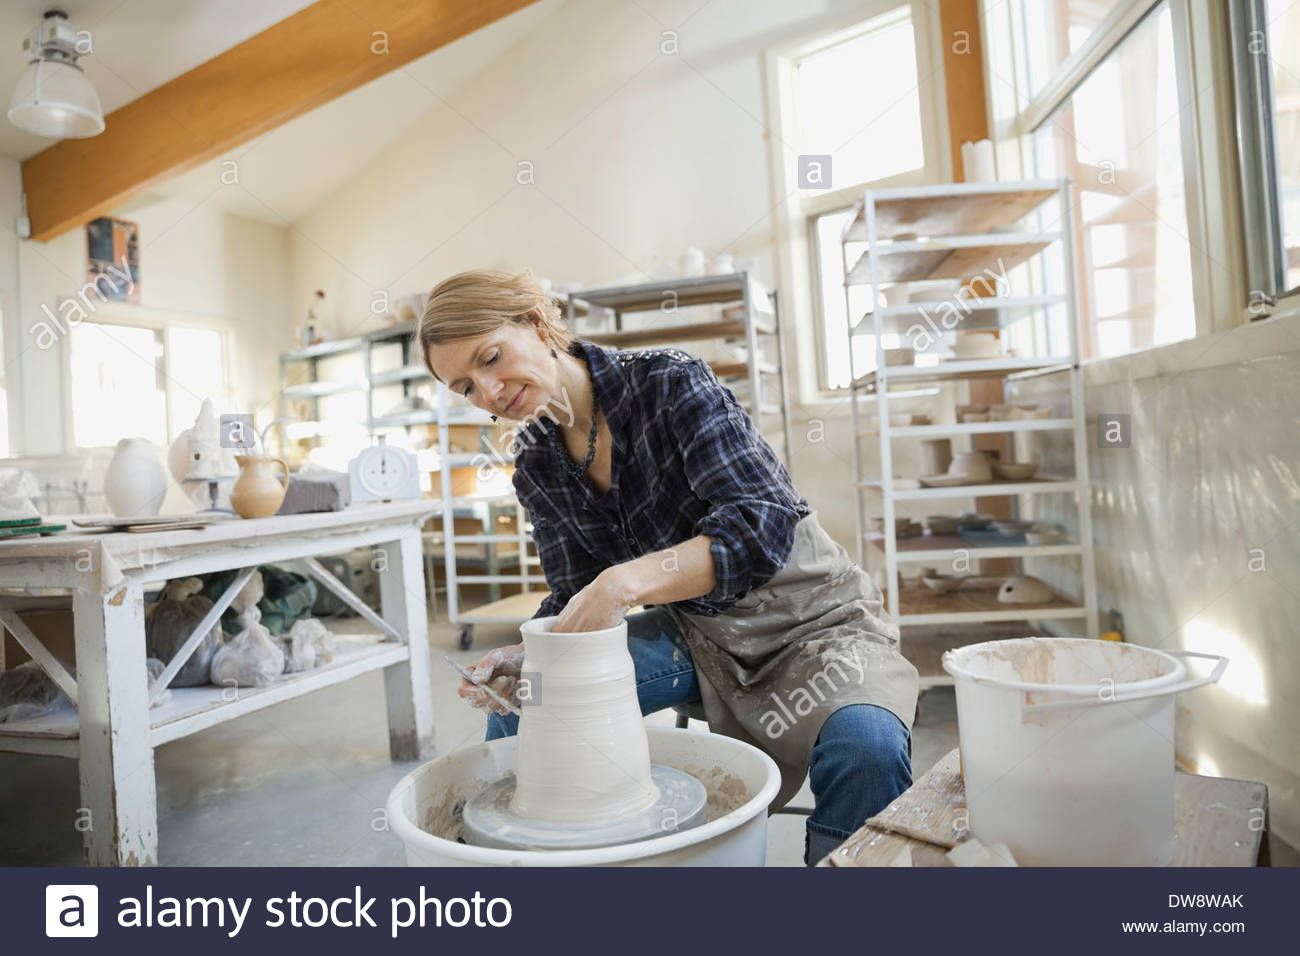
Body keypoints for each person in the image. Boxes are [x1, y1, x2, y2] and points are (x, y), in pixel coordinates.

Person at [419, 268, 919, 864]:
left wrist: (626, 580)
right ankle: (539, 868)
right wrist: (532, 651)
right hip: (699, 634)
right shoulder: (535, 465)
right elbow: (573, 592)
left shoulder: (667, 383)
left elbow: (759, 523)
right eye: (466, 388)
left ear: (534, 322)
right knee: (532, 698)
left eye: (492, 358)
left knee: (868, 746)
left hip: (814, 621)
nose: (490, 391)